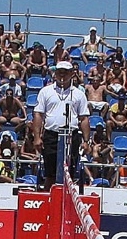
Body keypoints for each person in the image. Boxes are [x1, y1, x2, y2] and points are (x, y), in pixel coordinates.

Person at [33, 60, 90, 190]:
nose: (62, 75)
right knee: (50, 174)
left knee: (69, 174)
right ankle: (49, 202)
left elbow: (84, 118)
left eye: (65, 72)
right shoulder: (46, 92)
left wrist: (86, 140)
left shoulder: (79, 94)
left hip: (72, 135)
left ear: (72, 74)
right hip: (51, 136)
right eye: (59, 72)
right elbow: (38, 115)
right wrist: (37, 137)